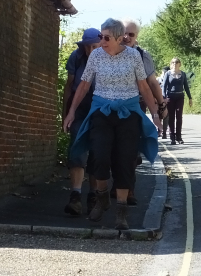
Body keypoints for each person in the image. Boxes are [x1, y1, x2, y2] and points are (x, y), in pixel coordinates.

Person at [64, 18, 162, 230]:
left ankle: (121, 212)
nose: (102, 41)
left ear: (119, 38)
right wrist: (71, 111)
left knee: (125, 160)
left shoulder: (134, 56)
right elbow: (83, 85)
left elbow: (144, 87)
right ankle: (101, 198)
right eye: (101, 36)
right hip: (101, 111)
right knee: (99, 156)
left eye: (106, 37)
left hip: (128, 113)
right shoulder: (97, 56)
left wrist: (155, 114)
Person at [121, 19, 167, 205]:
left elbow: (153, 83)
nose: (126, 37)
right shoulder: (107, 52)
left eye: (131, 34)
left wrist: (161, 106)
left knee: (130, 150)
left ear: (136, 37)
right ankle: (117, 186)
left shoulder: (142, 56)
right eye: (123, 33)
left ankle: (128, 190)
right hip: (112, 105)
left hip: (137, 106)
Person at [62, 28, 101, 216]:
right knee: (77, 147)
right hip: (79, 108)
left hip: (100, 108)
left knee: (96, 151)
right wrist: (65, 114)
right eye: (88, 46)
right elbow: (69, 87)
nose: (91, 50)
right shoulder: (76, 58)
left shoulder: (107, 59)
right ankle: (75, 196)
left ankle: (93, 196)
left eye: (95, 46)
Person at [163, 57, 193, 144]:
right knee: (171, 117)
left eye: (176, 63)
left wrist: (190, 98)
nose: (174, 64)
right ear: (171, 64)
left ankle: (179, 137)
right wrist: (164, 98)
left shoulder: (183, 74)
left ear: (179, 64)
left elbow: (186, 87)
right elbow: (164, 87)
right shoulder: (168, 74)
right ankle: (172, 137)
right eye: (173, 63)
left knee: (179, 117)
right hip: (170, 97)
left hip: (180, 97)